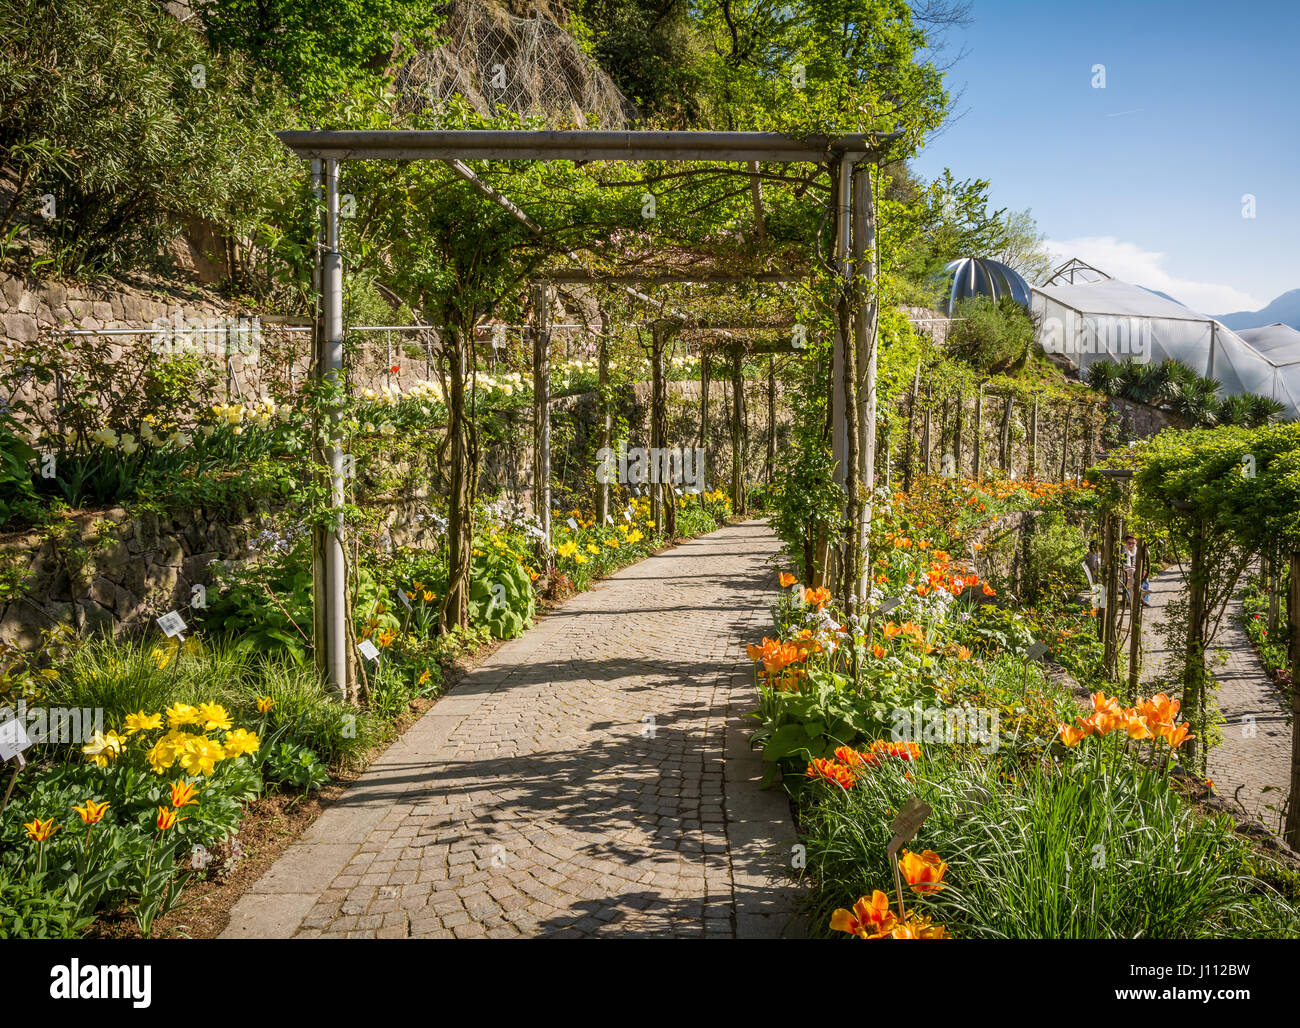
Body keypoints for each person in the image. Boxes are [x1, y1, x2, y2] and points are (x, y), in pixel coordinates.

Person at [1122, 533, 1151, 607]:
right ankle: (1131, 598)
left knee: (1145, 578)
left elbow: (1147, 555)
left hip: (1135, 571)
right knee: (1131, 576)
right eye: (1129, 543)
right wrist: (1127, 566)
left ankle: (1144, 599)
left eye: (1133, 543)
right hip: (1124, 572)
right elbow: (1121, 563)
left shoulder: (1137, 550)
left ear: (1136, 543)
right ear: (1125, 543)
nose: (1131, 545)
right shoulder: (1123, 551)